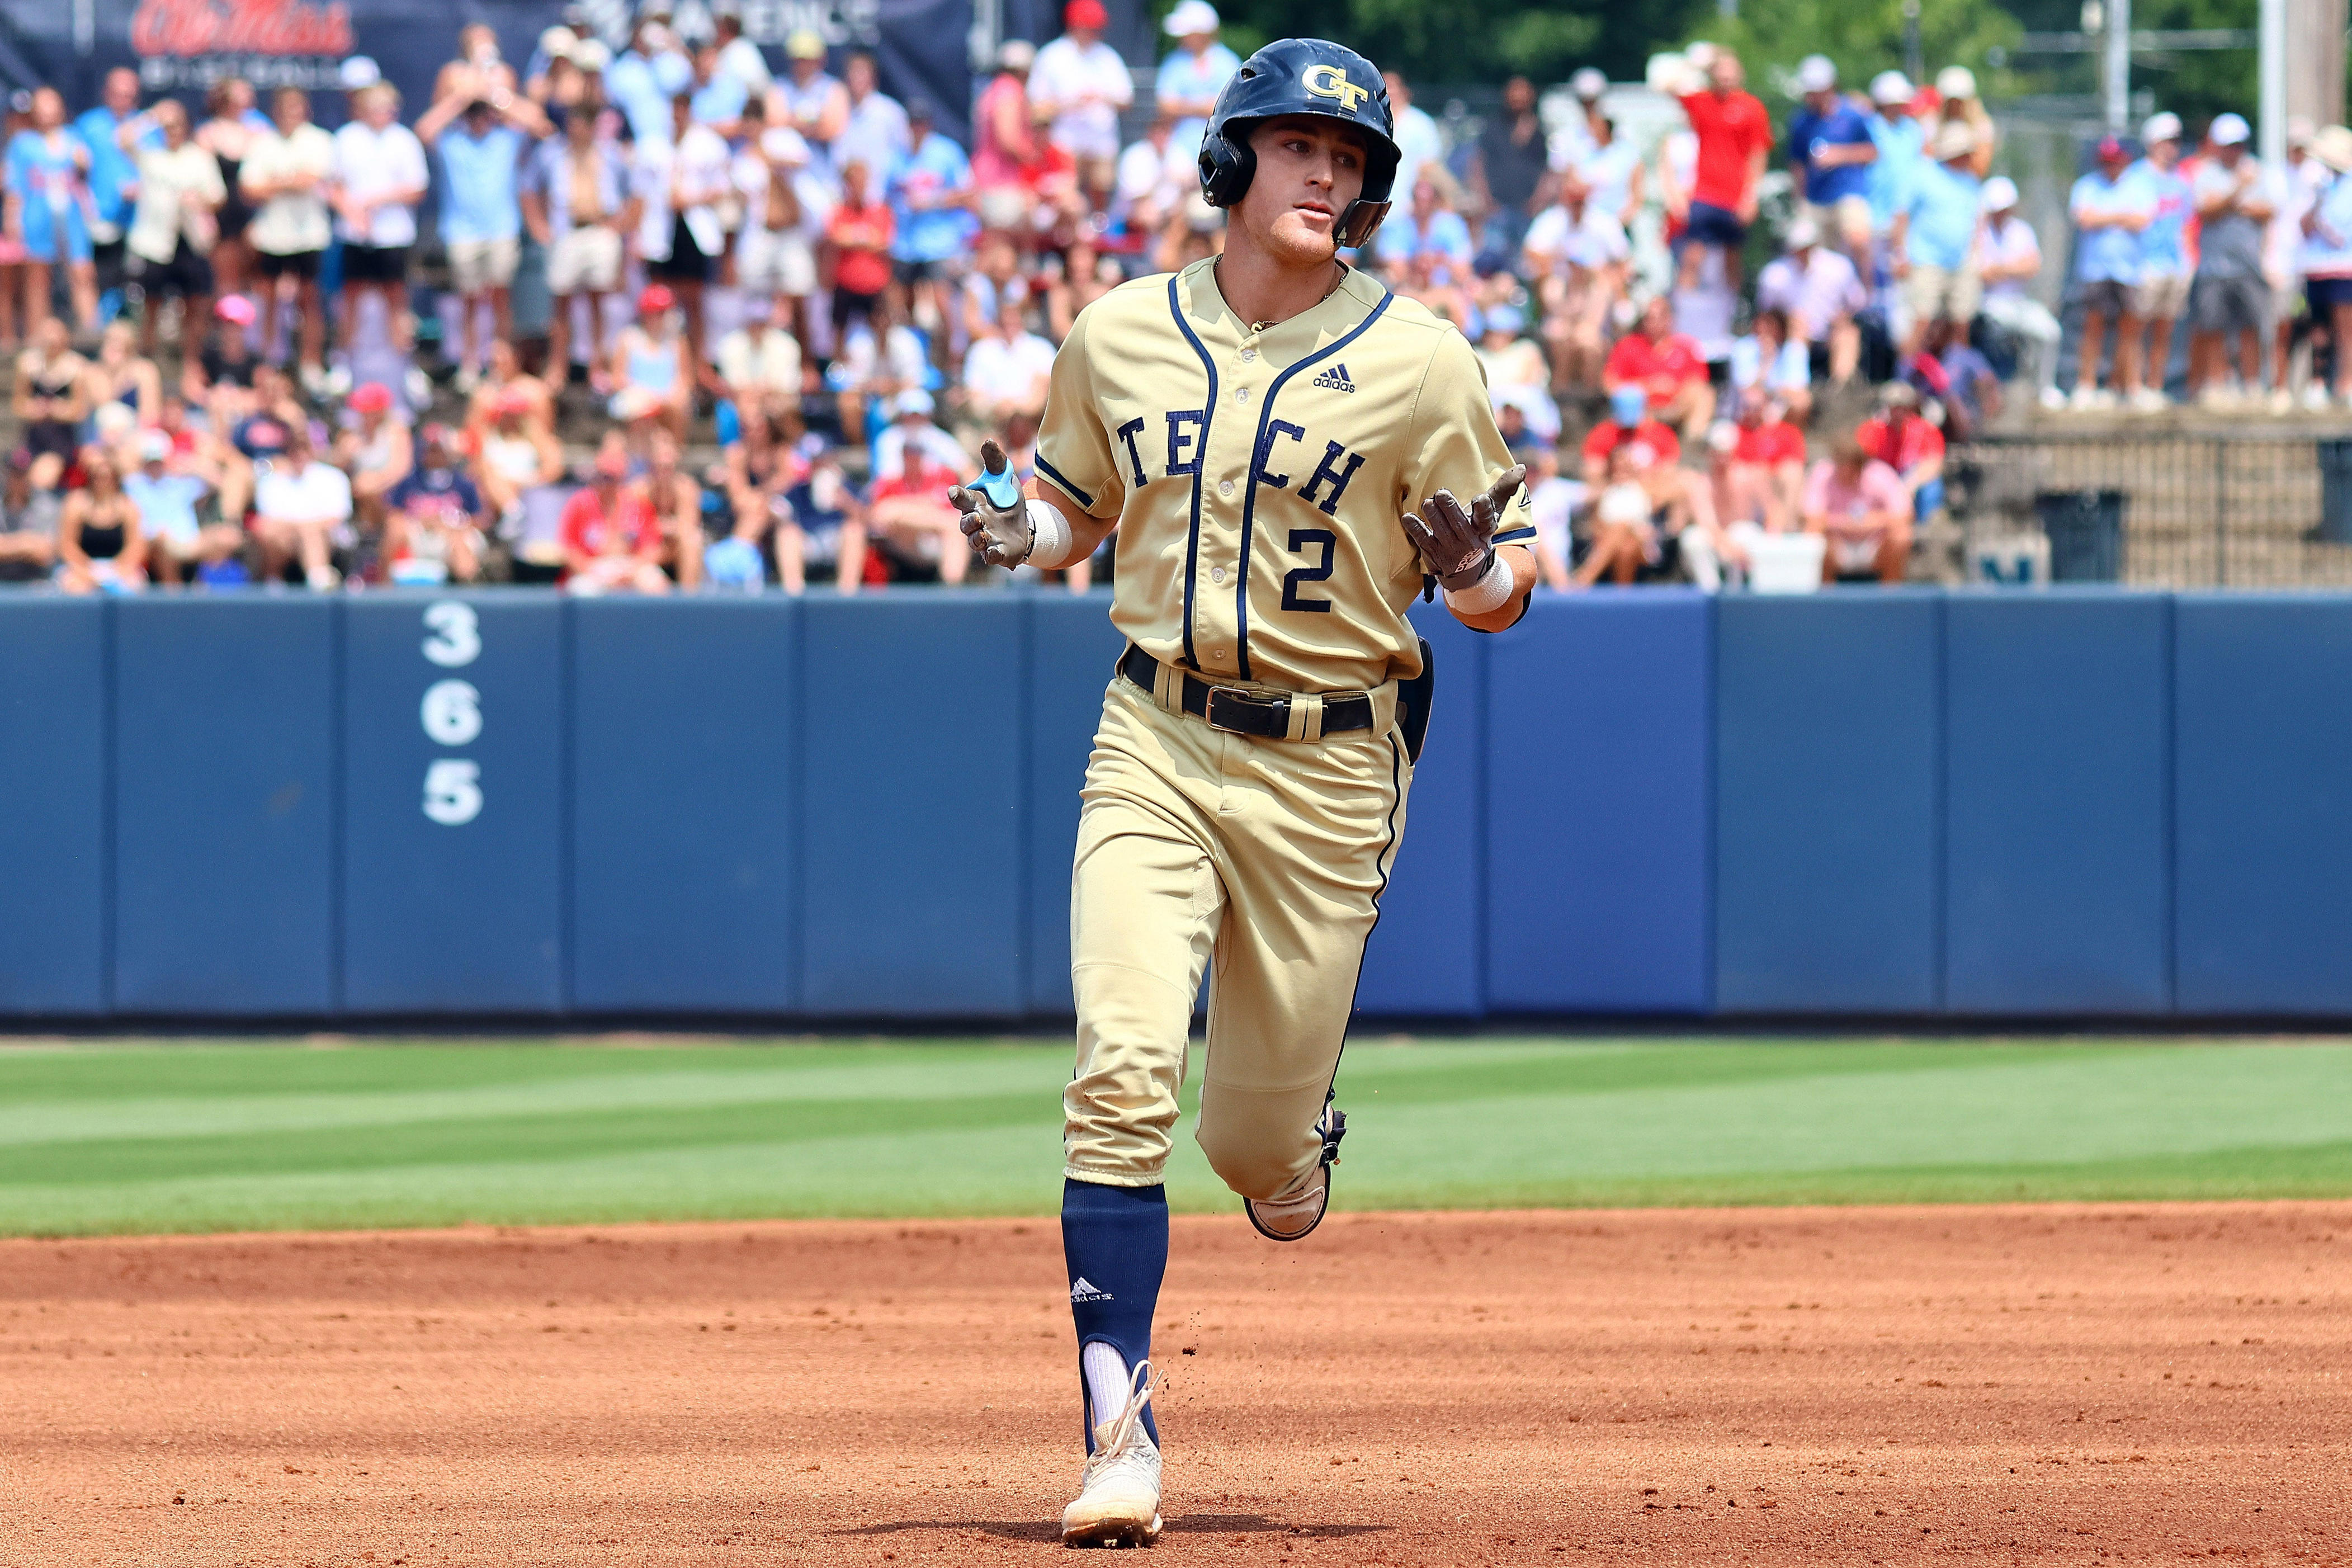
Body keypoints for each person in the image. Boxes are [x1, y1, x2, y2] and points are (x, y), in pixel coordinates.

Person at [947, 40, 1534, 1547]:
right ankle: (1118, 1434)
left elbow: (1499, 582)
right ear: (1230, 166)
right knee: (1120, 1065)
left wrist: (1472, 566)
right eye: (1299, 149)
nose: (1327, 177)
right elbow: (1073, 512)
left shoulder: (1421, 361)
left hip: (1331, 762)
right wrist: (1014, 527)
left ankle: (1293, 1143)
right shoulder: (1118, 333)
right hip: (1151, 733)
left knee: (1246, 1149)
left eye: (1350, 161)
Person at [415, 78, 549, 390]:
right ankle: (471, 364)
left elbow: (539, 124)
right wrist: (461, 98)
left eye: (483, 113)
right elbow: (424, 130)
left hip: (501, 231)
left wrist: (495, 96)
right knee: (470, 301)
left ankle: (500, 363)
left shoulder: (506, 140)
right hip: (463, 234)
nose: (478, 119)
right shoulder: (453, 142)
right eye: (473, 114)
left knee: (500, 300)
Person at [523, 97, 638, 391]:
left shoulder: (611, 155)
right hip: (567, 232)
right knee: (560, 303)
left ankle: (597, 366)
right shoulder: (551, 154)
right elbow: (528, 189)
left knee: (597, 302)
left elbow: (636, 195)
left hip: (600, 229)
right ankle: (558, 366)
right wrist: (539, 226)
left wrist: (620, 227)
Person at [329, 82, 429, 380]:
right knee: (350, 298)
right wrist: (353, 212)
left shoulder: (405, 140)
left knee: (397, 298)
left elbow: (417, 189)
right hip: (355, 235)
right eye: (374, 108)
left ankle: (405, 367)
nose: (381, 114)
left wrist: (376, 200)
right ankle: (344, 364)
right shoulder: (346, 139)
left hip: (393, 237)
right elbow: (333, 186)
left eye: (386, 108)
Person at [242, 87, 336, 389]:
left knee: (309, 301)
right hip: (273, 236)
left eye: (296, 109)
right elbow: (250, 189)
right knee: (268, 299)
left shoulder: (319, 140)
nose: (290, 115)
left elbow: (312, 179)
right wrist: (290, 181)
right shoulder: (263, 142)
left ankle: (310, 363)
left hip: (309, 235)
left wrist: (275, 182)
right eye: (285, 110)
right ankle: (270, 358)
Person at [635, 92, 733, 372]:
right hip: (660, 231)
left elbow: (723, 189)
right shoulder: (654, 145)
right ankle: (664, 365)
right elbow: (641, 195)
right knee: (660, 299)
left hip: (694, 231)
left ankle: (698, 364)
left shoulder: (709, 145)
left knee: (693, 300)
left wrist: (690, 199)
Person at [122, 98, 225, 360]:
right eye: (169, 128)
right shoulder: (152, 157)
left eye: (178, 126)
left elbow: (218, 197)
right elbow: (123, 139)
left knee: (195, 303)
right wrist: (153, 116)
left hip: (190, 241)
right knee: (152, 304)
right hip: (156, 243)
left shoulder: (200, 158)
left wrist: (199, 201)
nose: (174, 132)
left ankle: (191, 361)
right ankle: (147, 358)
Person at [2188, 113, 2278, 407]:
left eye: (2238, 145)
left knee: (2250, 328)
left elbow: (2268, 210)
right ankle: (2217, 384)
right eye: (2229, 145)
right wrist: (2238, 193)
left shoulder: (2259, 171)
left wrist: (2229, 203)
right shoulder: (2205, 173)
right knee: (2213, 328)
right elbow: (2207, 212)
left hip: (2249, 266)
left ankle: (2251, 384)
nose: (2234, 151)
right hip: (2214, 267)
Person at [1672, 48, 1769, 294]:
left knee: (1732, 258)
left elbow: (1758, 155)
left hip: (1735, 195)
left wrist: (1751, 195)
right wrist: (1697, 62)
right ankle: (1685, 313)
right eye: (1720, 72)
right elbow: (1668, 85)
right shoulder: (1702, 101)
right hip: (1705, 192)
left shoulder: (1752, 108)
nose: (1726, 78)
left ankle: (1730, 316)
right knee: (1693, 255)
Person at [2068, 135, 2154, 408]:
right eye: (2106, 161)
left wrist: (2104, 216)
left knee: (2131, 331)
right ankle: (2087, 384)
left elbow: (2141, 220)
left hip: (2130, 272)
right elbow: (2084, 218)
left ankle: (2128, 385)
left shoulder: (2139, 185)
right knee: (2093, 329)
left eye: (2115, 160)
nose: (2111, 166)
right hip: (2096, 270)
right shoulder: (2086, 186)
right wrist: (2120, 216)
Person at [1520, 175, 1627, 391]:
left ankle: (1591, 397)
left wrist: (1595, 272)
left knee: (1590, 338)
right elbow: (1531, 254)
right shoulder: (1551, 220)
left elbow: (1623, 263)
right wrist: (1558, 262)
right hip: (1562, 295)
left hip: (1595, 296)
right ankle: (1559, 392)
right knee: (1559, 332)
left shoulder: (1604, 222)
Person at [5, 87, 98, 333]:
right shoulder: (23, 143)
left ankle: (92, 332)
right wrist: (12, 222)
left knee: (82, 272)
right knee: (38, 278)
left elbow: (85, 175)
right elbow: (16, 188)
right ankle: (38, 335)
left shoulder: (73, 138)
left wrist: (84, 165)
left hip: (72, 215)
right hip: (37, 214)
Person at [2118, 112, 2192, 410]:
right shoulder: (2135, 177)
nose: (2172, 147)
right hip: (2143, 265)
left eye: (2176, 141)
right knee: (2134, 328)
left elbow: (2185, 225)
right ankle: (2132, 387)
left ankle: (2155, 386)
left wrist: (2188, 263)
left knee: (2165, 328)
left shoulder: (2181, 182)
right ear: (2152, 143)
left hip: (2173, 266)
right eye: (2166, 141)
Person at [1030, 0, 1134, 210]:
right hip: (1065, 141)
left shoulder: (1107, 57)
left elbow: (1127, 98)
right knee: (1067, 195)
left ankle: (1097, 232)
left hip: (1101, 141)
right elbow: (1036, 106)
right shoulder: (1052, 56)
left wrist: (1102, 98)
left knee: (1101, 194)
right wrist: (1070, 104)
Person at [1891, 119, 1983, 354]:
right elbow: (1902, 217)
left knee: (1961, 322)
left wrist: (1975, 255)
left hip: (1960, 262)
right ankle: (1905, 377)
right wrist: (1899, 254)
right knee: (1921, 321)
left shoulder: (1971, 182)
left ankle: (1956, 378)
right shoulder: (1923, 175)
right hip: (1925, 260)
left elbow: (1975, 222)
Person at [887, 99, 976, 330]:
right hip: (905, 243)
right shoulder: (897, 156)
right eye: (913, 123)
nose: (918, 129)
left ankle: (950, 359)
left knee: (941, 302)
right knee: (901, 306)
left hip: (939, 241)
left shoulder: (947, 152)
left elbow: (968, 194)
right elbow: (886, 196)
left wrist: (933, 200)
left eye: (922, 123)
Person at [1974, 176, 2062, 406]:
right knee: (1994, 335)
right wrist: (2013, 267)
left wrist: (2001, 269)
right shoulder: (1977, 232)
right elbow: (1980, 274)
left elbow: (2032, 266)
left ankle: (2044, 388)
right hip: (1987, 304)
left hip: (2018, 302)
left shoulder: (2021, 231)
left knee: (2050, 332)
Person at [1785, 54, 1875, 276]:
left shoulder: (1852, 116)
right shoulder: (1801, 122)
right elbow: (1797, 165)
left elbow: (1872, 152)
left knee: (1858, 240)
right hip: (1816, 199)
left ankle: (1867, 292)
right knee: (1819, 257)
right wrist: (1799, 201)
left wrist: (1839, 156)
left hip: (1847, 191)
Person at [126, 427, 238, 586]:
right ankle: (175, 591)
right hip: (152, 541)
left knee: (229, 536)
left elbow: (219, 483)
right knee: (162, 540)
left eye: (158, 461)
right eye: (150, 461)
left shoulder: (179, 482)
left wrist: (191, 464)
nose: (155, 466)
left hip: (188, 541)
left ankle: (205, 583)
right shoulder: (133, 484)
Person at [193, 78, 267, 316]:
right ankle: (226, 345)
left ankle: (252, 341)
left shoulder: (259, 131)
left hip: (252, 214)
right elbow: (201, 181)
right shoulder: (207, 133)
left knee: (256, 279)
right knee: (224, 282)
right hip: (221, 215)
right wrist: (205, 217)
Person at [76, 68, 144, 319]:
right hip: (100, 220)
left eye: (129, 95)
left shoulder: (147, 126)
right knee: (99, 279)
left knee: (134, 283)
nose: (123, 100)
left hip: (140, 222)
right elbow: (75, 171)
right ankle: (99, 333)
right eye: (118, 94)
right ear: (106, 94)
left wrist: (141, 187)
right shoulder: (88, 125)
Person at [252, 421, 351, 589]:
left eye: (304, 448)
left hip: (325, 538)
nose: (299, 454)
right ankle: (273, 584)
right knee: (269, 533)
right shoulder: (272, 480)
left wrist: (306, 529)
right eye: (294, 449)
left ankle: (319, 583)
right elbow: (268, 521)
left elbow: (337, 517)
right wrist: (302, 528)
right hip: (284, 540)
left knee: (311, 534)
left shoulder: (333, 477)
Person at [562, 438, 669, 593]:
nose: (607, 484)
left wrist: (633, 569)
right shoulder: (580, 503)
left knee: (655, 583)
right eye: (603, 477)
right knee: (582, 591)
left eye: (613, 478)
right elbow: (569, 549)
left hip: (631, 565)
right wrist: (590, 569)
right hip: (594, 566)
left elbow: (653, 548)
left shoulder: (637, 503)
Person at [1802, 433, 1910, 584]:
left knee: (1901, 536)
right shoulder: (1823, 475)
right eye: (1841, 465)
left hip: (1874, 544)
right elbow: (1812, 519)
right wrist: (1846, 523)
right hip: (1837, 545)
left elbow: (1904, 516)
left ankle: (1890, 598)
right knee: (1812, 535)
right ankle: (1824, 598)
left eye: (1851, 467)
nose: (1845, 472)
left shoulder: (1880, 474)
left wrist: (1870, 522)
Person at [1605, 293, 1713, 438]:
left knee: (1704, 395)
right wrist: (1649, 386)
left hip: (1676, 405)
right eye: (1649, 318)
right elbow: (1610, 383)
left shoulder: (1687, 347)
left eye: (1658, 318)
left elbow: (1699, 382)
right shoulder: (1628, 345)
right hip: (1643, 409)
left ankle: (1693, 440)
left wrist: (1672, 387)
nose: (1653, 323)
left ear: (1669, 319)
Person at [1466, 75, 1547, 260]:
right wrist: (1485, 199)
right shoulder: (1493, 127)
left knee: (1526, 261)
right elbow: (1478, 164)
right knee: (1493, 259)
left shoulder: (1539, 131)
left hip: (1528, 209)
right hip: (1497, 209)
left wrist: (1538, 201)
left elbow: (1547, 171)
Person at [2299, 124, 2352, 408]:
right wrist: (2318, 204)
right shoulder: (2324, 185)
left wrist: (2322, 218)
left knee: (2347, 332)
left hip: (2345, 270)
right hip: (2317, 269)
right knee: (2318, 330)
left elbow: (2338, 235)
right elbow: (2305, 228)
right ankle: (2318, 383)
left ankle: (2347, 384)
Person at [1154, 0, 1239, 160]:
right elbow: (1166, 106)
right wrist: (1204, 106)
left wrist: (1184, 106)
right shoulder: (1174, 61)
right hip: (1178, 145)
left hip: (1221, 145)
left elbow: (1228, 107)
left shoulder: (1227, 61)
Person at [56, 445, 146, 593]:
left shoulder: (129, 506)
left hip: (120, 570)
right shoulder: (76, 503)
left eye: (107, 476)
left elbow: (136, 546)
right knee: (76, 589)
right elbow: (67, 545)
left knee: (132, 587)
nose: (102, 481)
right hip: (81, 569)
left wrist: (116, 572)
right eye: (96, 476)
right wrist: (88, 572)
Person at [610, 284, 694, 441]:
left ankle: (672, 455)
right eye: (659, 313)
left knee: (679, 405)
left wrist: (666, 398)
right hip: (638, 397)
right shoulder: (628, 339)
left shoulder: (678, 342)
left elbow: (686, 380)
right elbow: (617, 379)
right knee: (640, 411)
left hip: (668, 401)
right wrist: (646, 395)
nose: (665, 317)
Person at [823, 158, 895, 341]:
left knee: (881, 331)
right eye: (854, 181)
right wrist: (866, 236)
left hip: (875, 284)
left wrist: (852, 236)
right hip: (845, 283)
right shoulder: (839, 211)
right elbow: (836, 238)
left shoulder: (880, 211)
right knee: (839, 333)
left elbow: (883, 242)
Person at [1854, 381, 1945, 525]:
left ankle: (1924, 528)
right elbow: (1858, 461)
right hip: (1879, 480)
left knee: (1932, 486)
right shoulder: (1872, 430)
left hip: (1909, 482)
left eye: (1904, 407)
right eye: (1895, 407)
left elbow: (1934, 463)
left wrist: (1911, 483)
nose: (1899, 413)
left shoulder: (1926, 430)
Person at [13, 316, 88, 491]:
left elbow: (80, 410)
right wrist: (33, 409)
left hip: (62, 440)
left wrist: (55, 410)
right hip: (34, 437)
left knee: (42, 476)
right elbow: (18, 404)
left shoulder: (76, 366)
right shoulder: (28, 364)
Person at [773, 30, 849, 167]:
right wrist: (813, 123)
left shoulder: (834, 88)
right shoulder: (779, 86)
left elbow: (832, 129)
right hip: (785, 170)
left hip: (823, 171)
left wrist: (794, 123)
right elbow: (774, 124)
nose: (803, 64)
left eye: (808, 59)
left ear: (820, 60)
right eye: (798, 58)